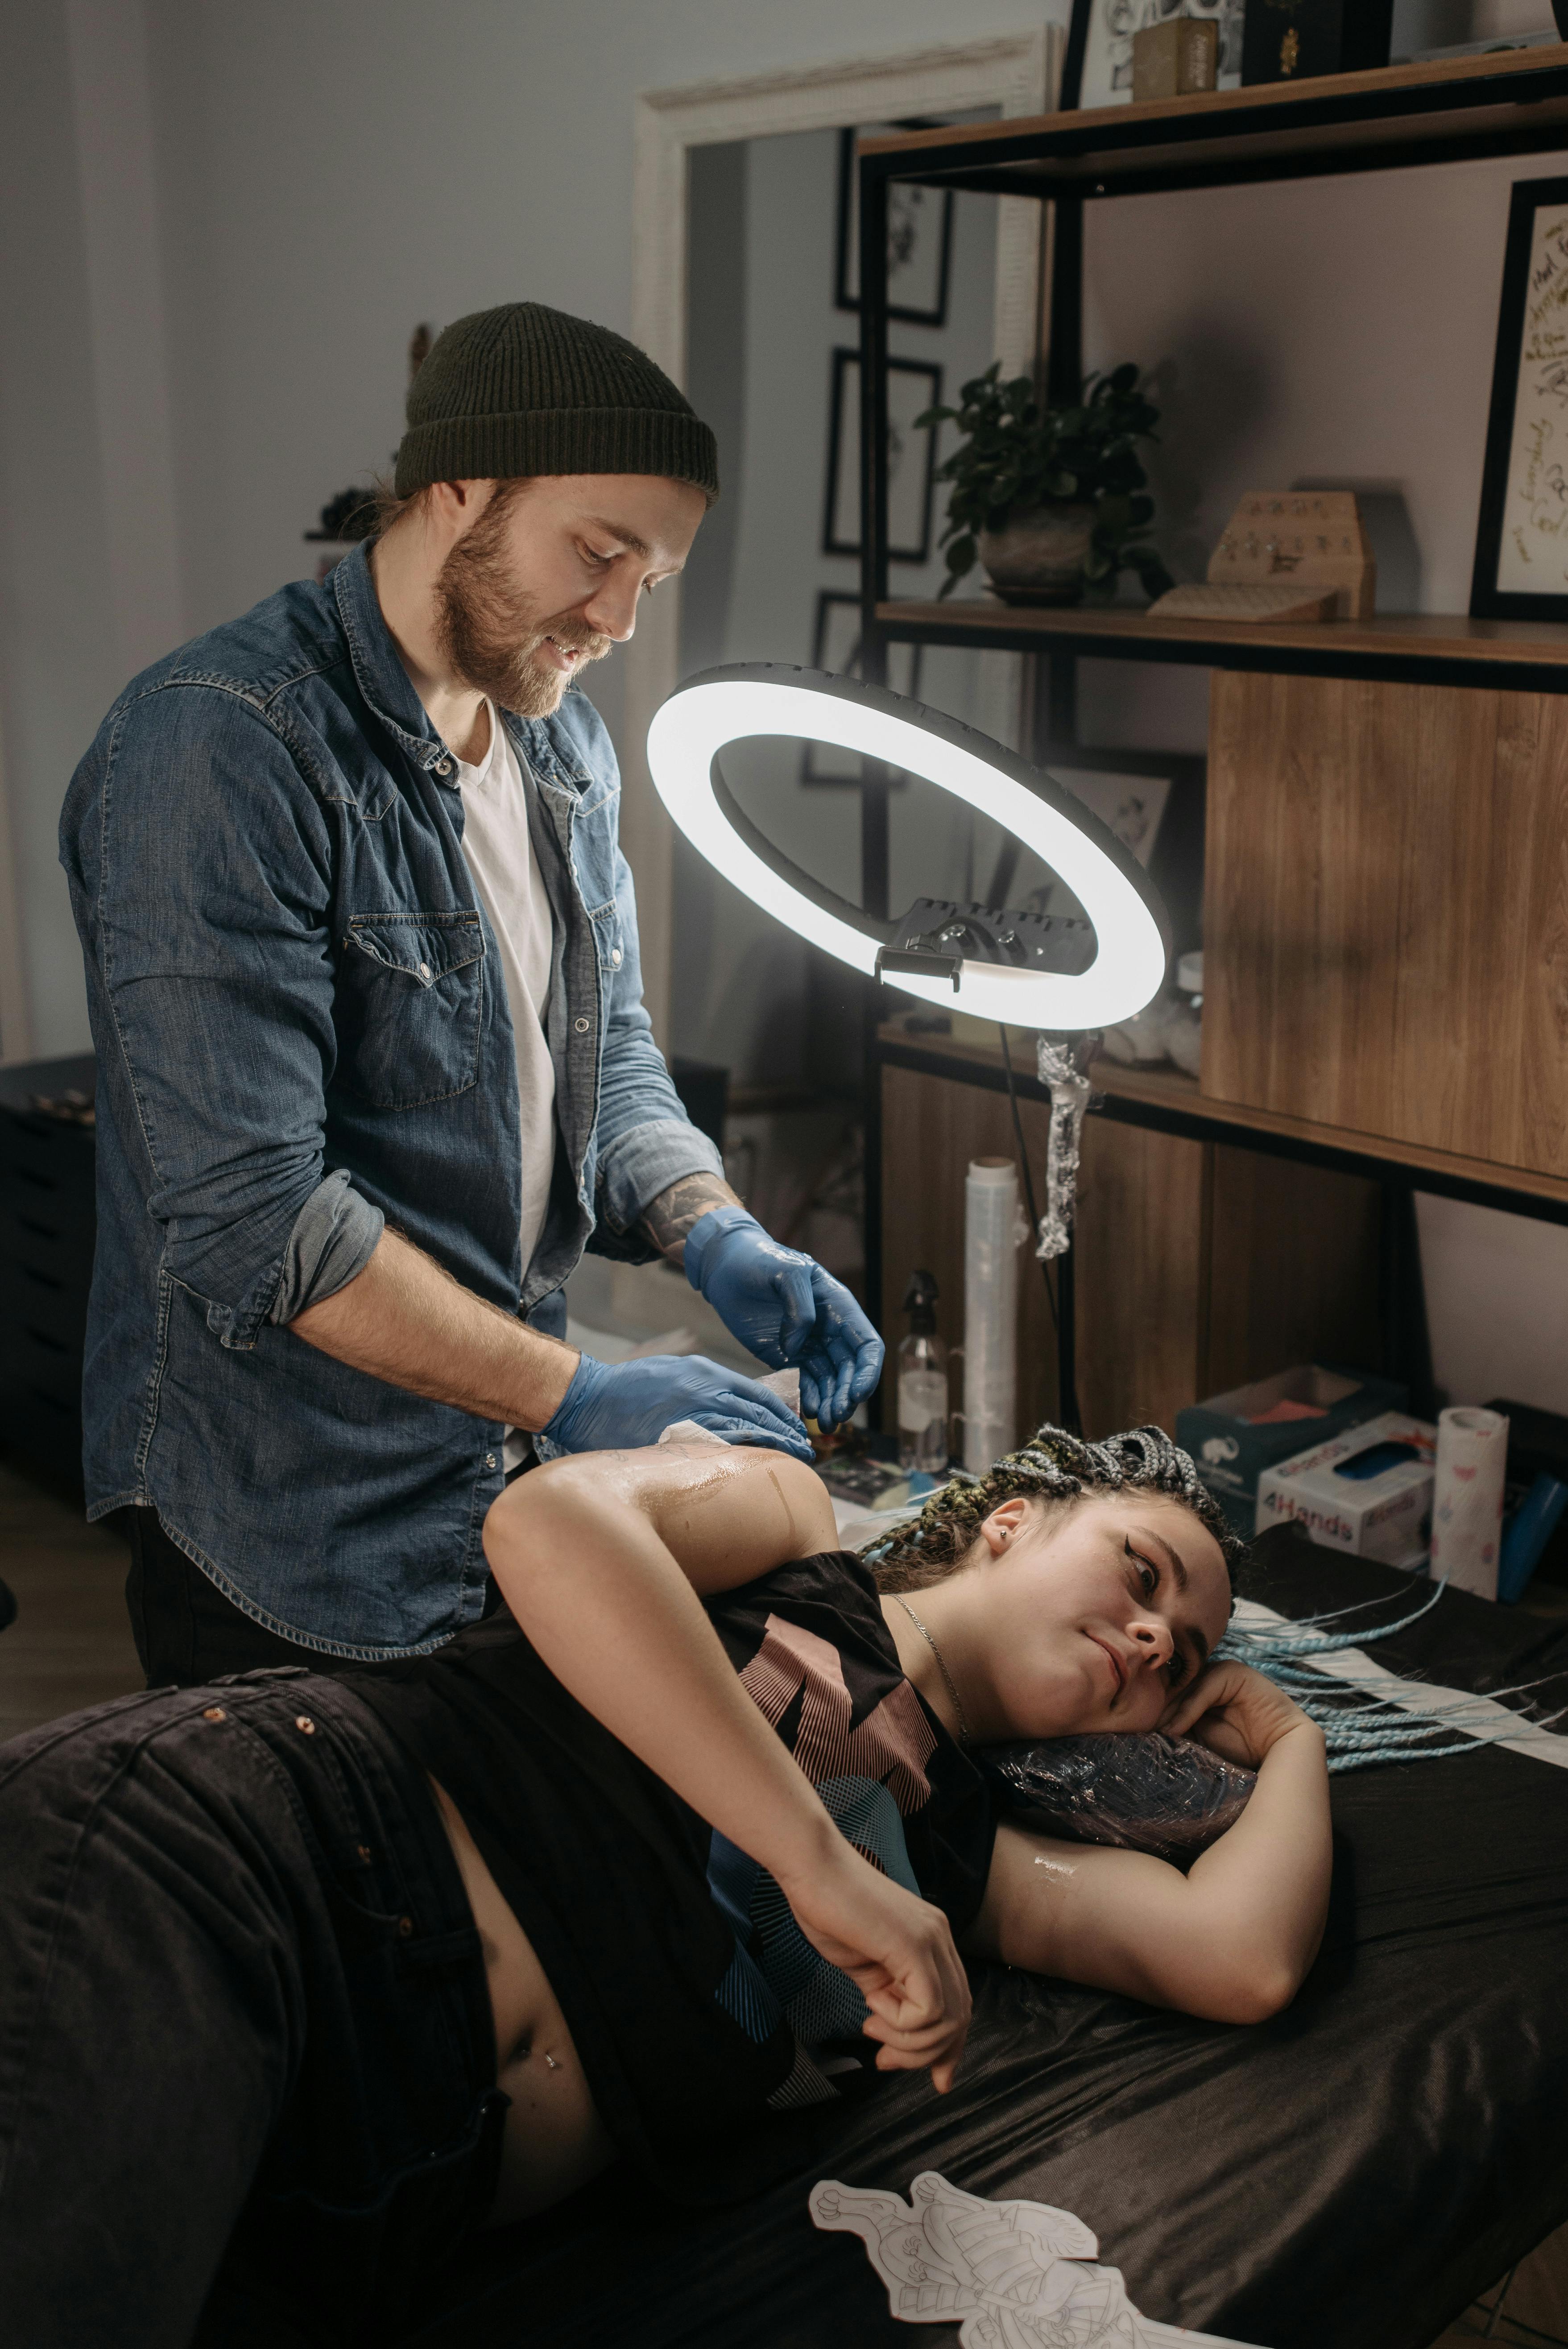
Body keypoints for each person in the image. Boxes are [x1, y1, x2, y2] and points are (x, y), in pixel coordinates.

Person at [0, 1424, 1332, 2349]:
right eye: (1141, 1573)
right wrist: (817, 1867)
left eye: (1181, 1657)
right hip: (264, 1872)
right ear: (1011, 1522)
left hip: (389, 2195)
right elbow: (547, 1521)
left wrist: (1288, 1741)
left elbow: (1239, 1956)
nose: (1156, 1636)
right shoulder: (799, 1535)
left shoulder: (972, 1871)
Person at [58, 300, 882, 1685]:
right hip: (292, 1525)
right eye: (599, 554)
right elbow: (255, 1219)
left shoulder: (561, 753)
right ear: (456, 488)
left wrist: (710, 1223)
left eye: (651, 581)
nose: (618, 618)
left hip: (498, 1487)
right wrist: (584, 1390)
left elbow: (603, 1054)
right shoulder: (219, 746)